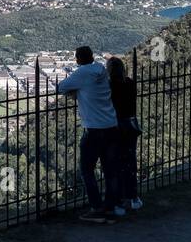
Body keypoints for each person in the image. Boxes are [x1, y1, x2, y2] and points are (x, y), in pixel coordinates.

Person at [56, 46, 121, 223]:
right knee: (110, 170)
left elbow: (61, 87)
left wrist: (75, 92)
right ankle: (110, 207)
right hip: (111, 125)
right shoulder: (100, 69)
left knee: (87, 170)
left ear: (77, 59)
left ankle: (96, 209)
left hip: (94, 129)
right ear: (92, 56)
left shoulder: (82, 73)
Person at [106, 56, 143, 212]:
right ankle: (133, 197)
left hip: (116, 125)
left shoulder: (109, 86)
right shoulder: (130, 83)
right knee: (130, 162)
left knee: (115, 164)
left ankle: (119, 200)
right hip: (131, 124)